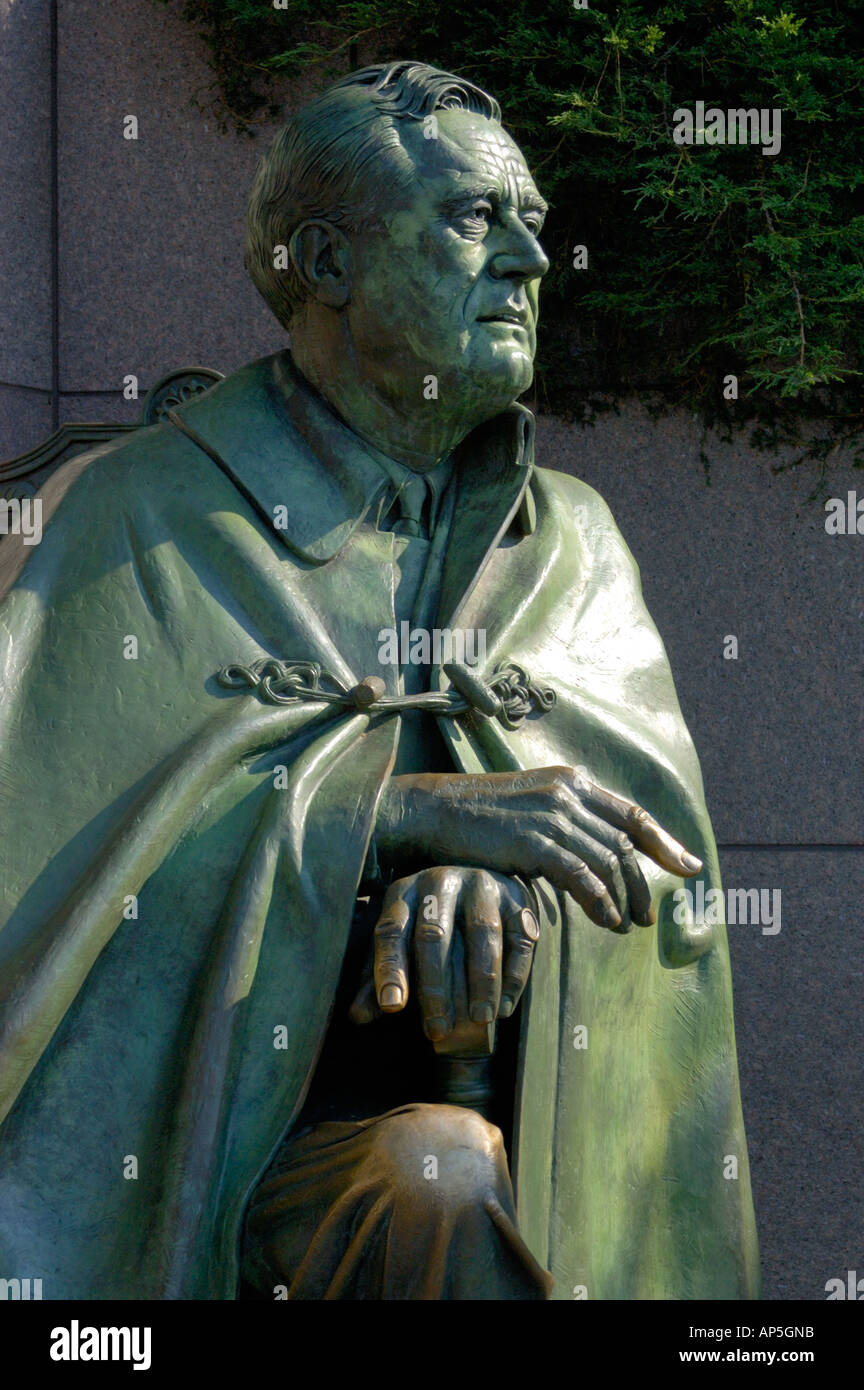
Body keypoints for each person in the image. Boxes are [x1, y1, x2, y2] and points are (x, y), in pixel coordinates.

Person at [0, 62, 760, 1300]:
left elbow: (666, 898)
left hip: (491, 1129)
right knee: (437, 1183)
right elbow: (42, 883)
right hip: (218, 1165)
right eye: (475, 219)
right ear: (328, 265)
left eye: (534, 223)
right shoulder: (144, 516)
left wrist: (503, 911)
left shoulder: (573, 541)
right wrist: (388, 821)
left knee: (442, 1172)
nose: (532, 261)